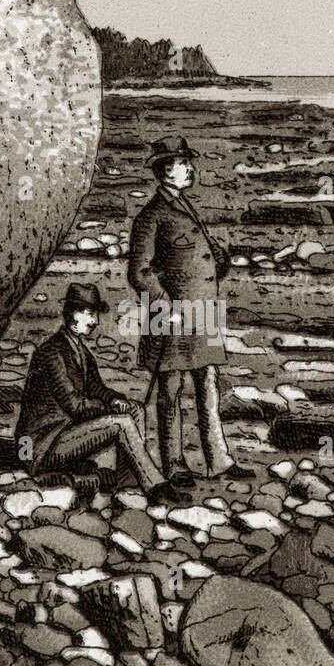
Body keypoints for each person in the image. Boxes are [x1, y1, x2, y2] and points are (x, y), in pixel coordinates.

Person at [128, 136, 253, 489]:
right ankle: (174, 464)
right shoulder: (151, 216)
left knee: (208, 384)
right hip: (171, 315)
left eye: (187, 162)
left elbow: (198, 260)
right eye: (184, 163)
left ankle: (219, 459)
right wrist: (166, 308)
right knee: (170, 390)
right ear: (166, 170)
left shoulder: (184, 206)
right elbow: (140, 272)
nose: (190, 168)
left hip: (202, 311)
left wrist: (220, 260)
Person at [15, 281, 191, 504]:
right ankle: (157, 488)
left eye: (95, 314)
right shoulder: (51, 353)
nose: (95, 321)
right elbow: (75, 406)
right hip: (40, 447)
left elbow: (97, 388)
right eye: (88, 313)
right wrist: (110, 408)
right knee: (120, 423)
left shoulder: (81, 351)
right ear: (71, 313)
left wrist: (114, 399)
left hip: (64, 434)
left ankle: (128, 486)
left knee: (135, 409)